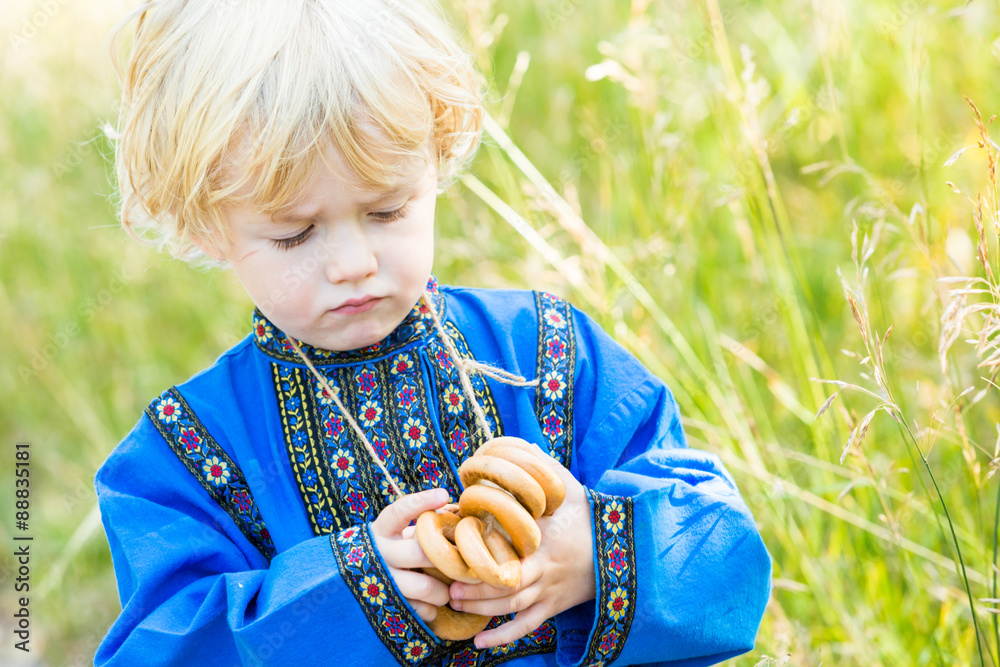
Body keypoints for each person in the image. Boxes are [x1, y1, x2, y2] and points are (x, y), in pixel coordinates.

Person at [94, 1, 772, 665]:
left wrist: (596, 553)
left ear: (436, 158)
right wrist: (339, 596)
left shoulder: (549, 354)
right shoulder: (186, 456)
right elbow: (160, 650)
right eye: (294, 233)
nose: (353, 263)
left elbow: (726, 556)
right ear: (207, 224)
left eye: (387, 209)